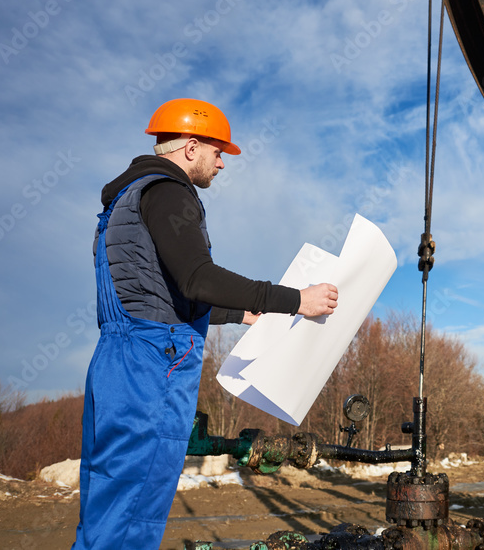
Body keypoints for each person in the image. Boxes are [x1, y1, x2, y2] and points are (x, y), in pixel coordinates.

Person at [71, 98, 338, 549]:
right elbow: (198, 279)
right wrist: (296, 300)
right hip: (153, 370)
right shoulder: (170, 192)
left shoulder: (123, 202)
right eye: (218, 152)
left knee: (107, 510)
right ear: (191, 147)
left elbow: (158, 294)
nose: (222, 163)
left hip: (117, 364)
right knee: (133, 517)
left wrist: (240, 313)